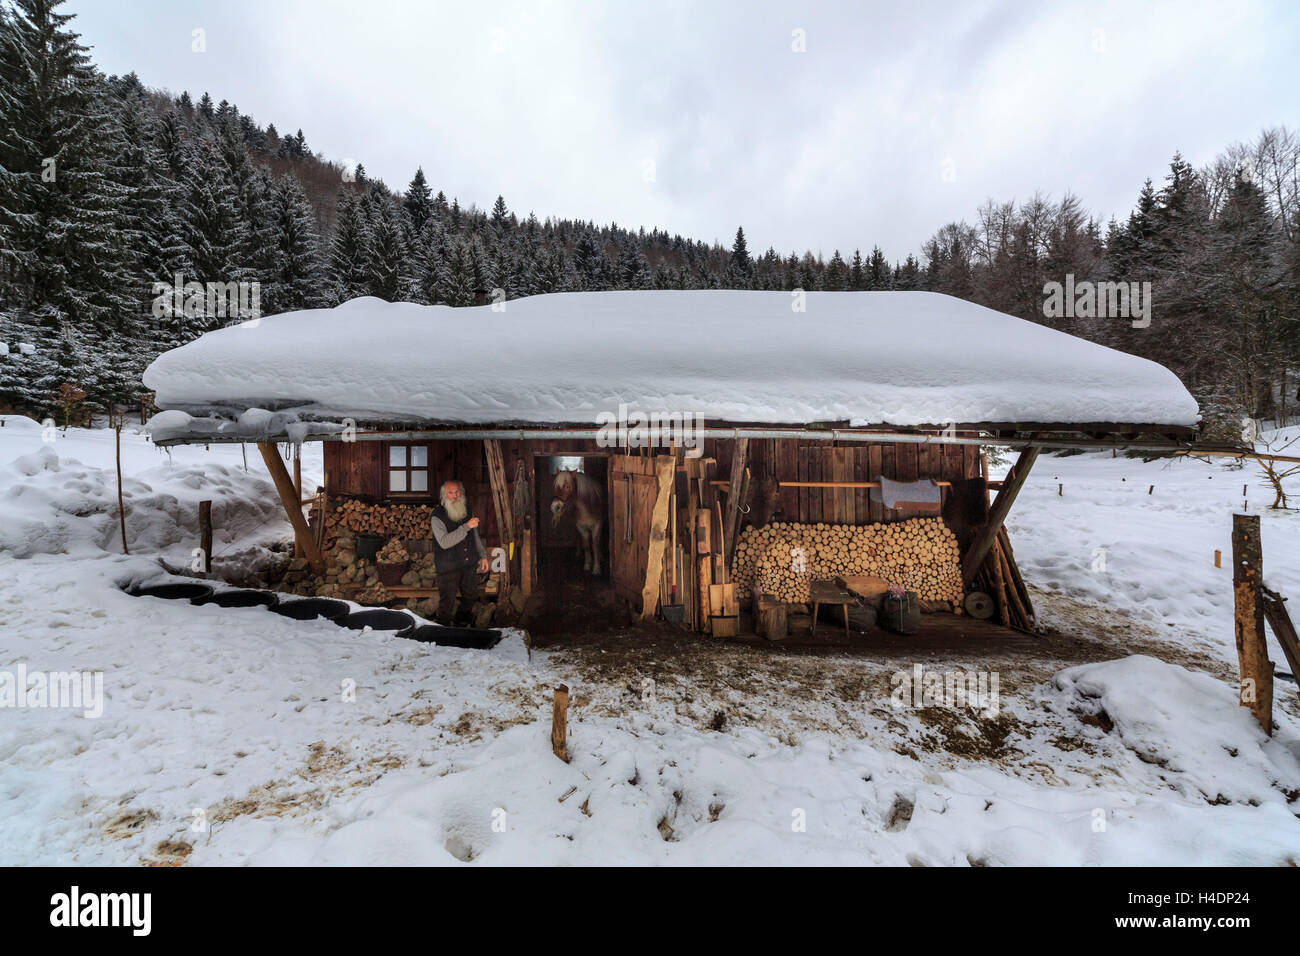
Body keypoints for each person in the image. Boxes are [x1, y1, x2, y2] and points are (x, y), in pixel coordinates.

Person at [430, 479, 489, 626]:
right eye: (450, 493)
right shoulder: (437, 515)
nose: (455, 496)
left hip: (468, 563)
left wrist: (483, 556)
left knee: (471, 596)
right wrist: (466, 527)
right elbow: (444, 542)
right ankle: (441, 633)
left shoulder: (467, 510)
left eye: (457, 492)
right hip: (448, 566)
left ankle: (460, 622)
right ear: (444, 495)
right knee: (447, 604)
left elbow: (474, 535)